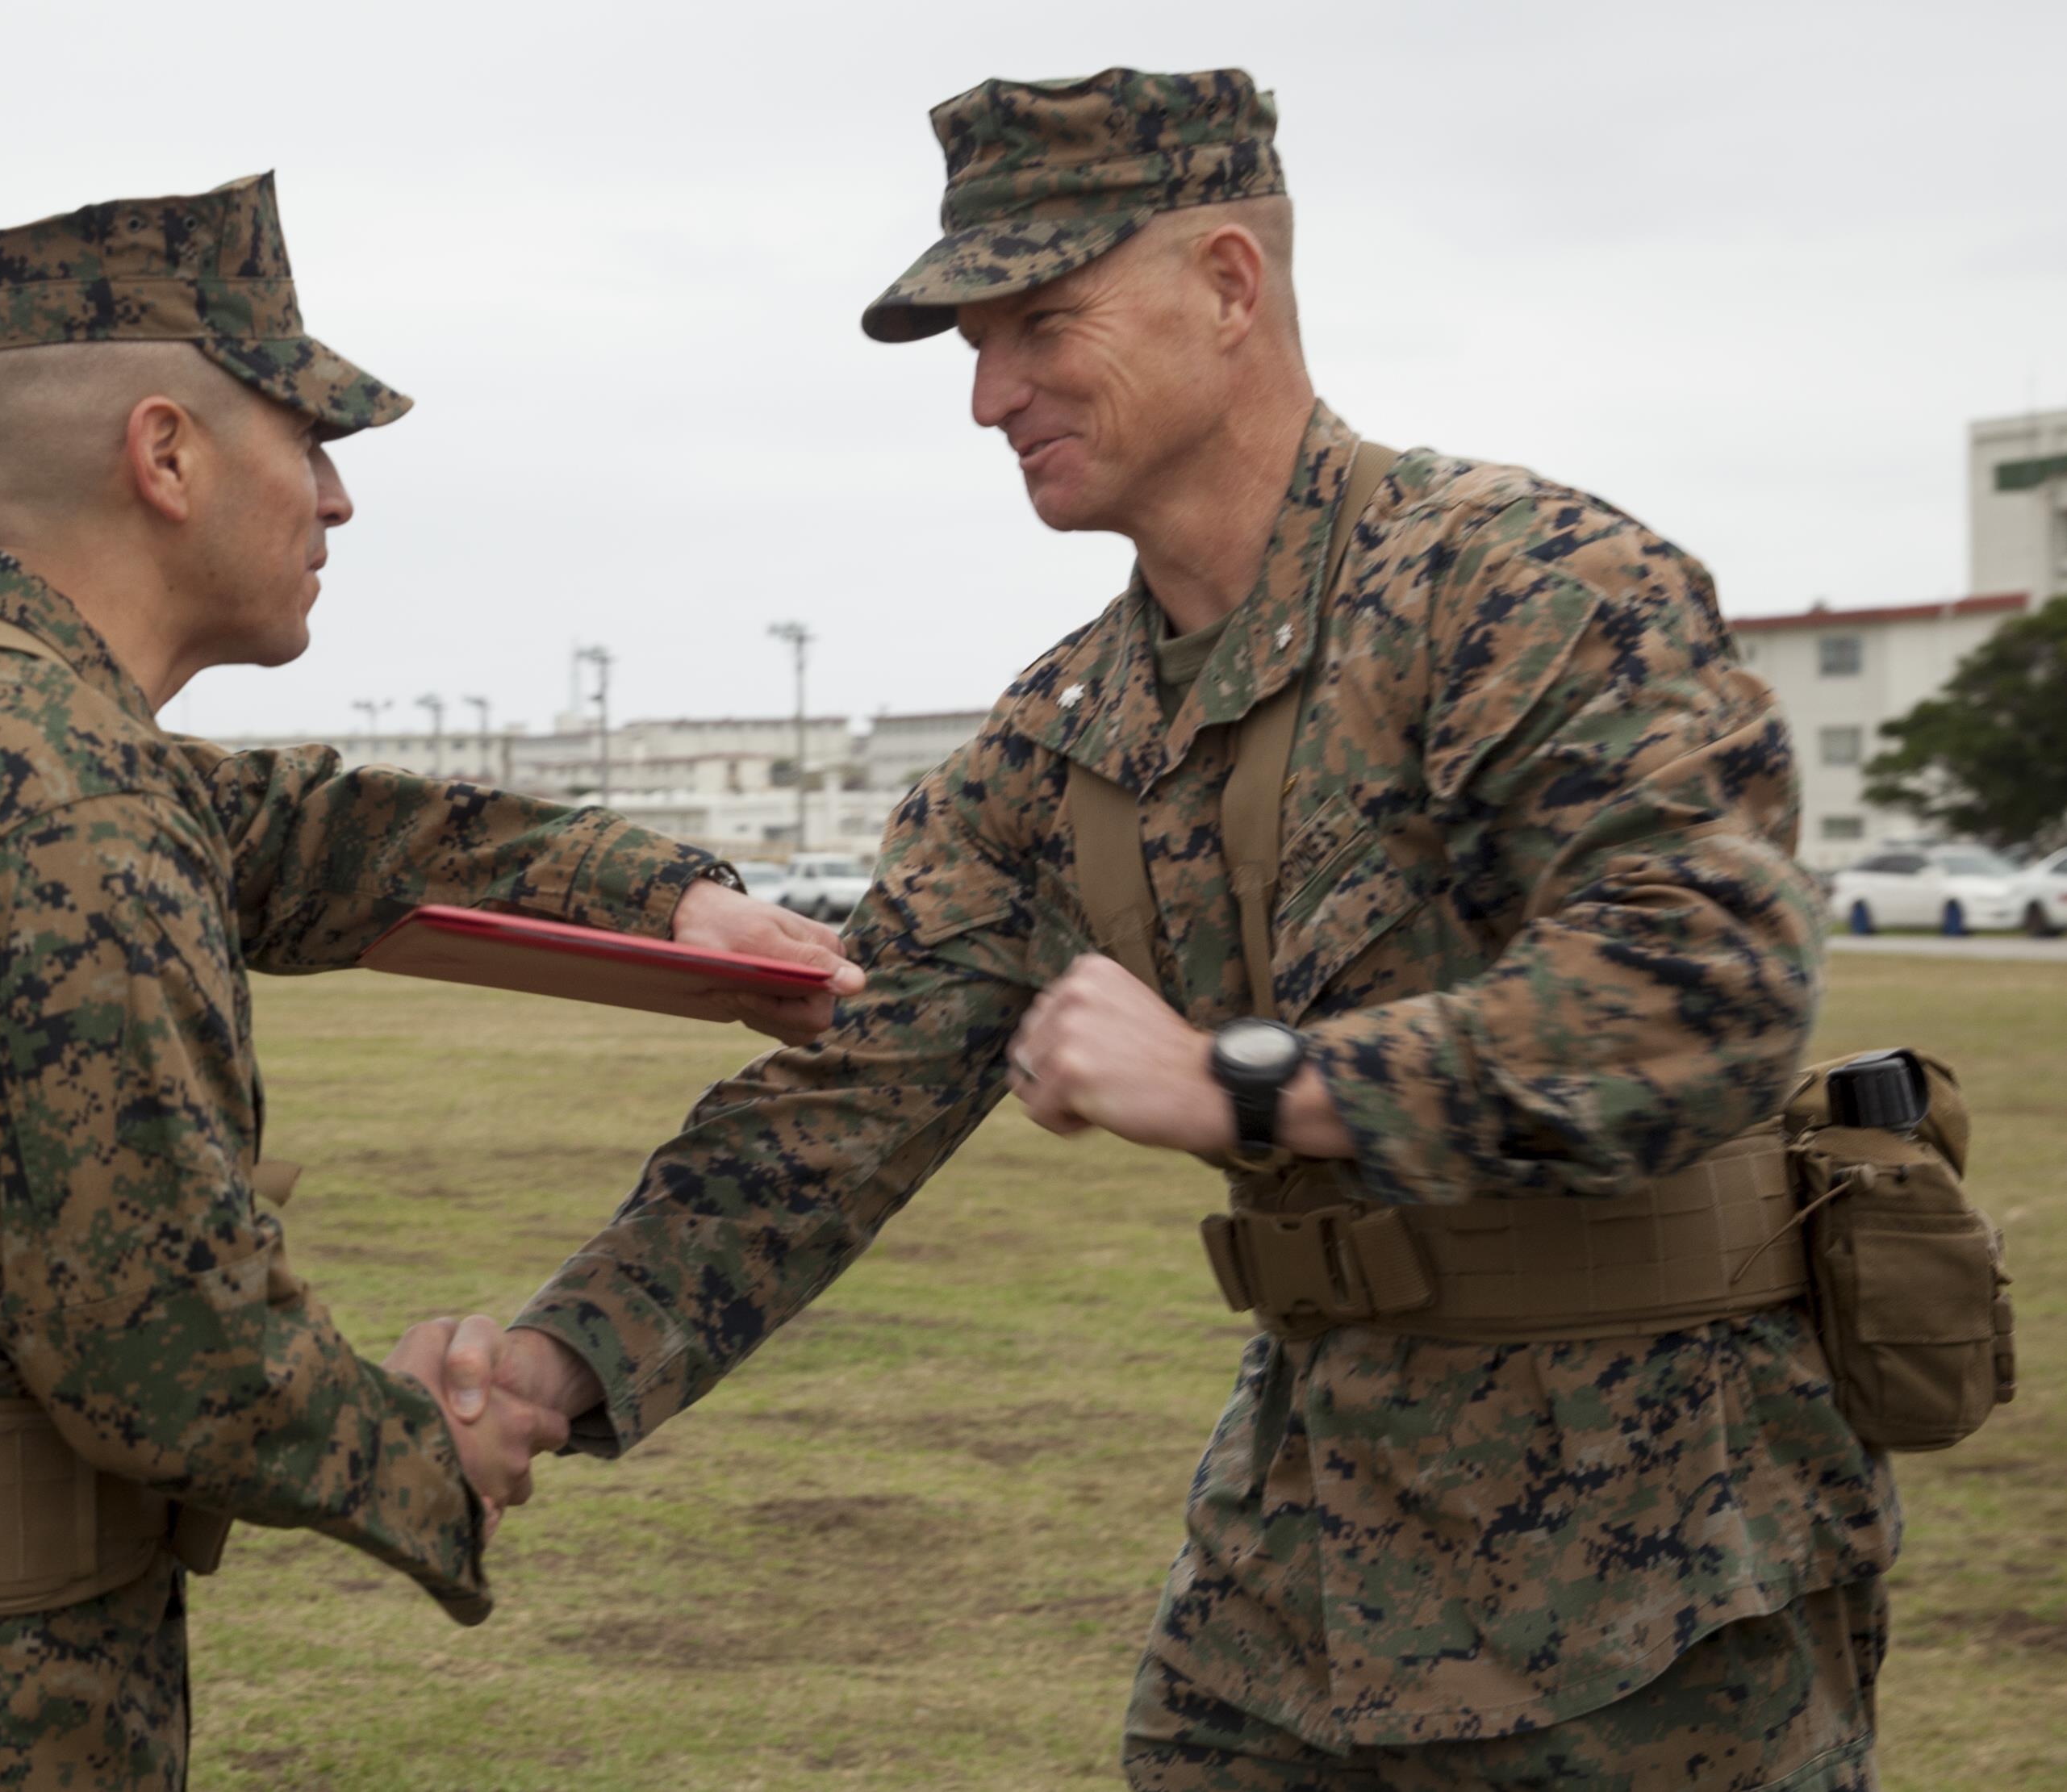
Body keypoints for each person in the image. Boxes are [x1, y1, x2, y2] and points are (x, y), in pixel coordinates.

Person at [447, 69, 1894, 1790]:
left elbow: (1700, 993)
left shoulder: (1520, 585)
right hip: (1287, 1588)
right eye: (973, 342)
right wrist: (556, 1356)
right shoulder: (1062, 731)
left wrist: (1242, 1080)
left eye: (1044, 320)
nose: (989, 394)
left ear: (1229, 283)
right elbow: (841, 1104)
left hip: (1645, 1569)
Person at [0, 171, 856, 1790]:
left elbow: (308, 830)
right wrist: (430, 1449)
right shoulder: (70, 808)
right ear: (163, 455)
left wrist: (669, 899)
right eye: (305, 440)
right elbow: (163, 1351)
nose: (336, 498)